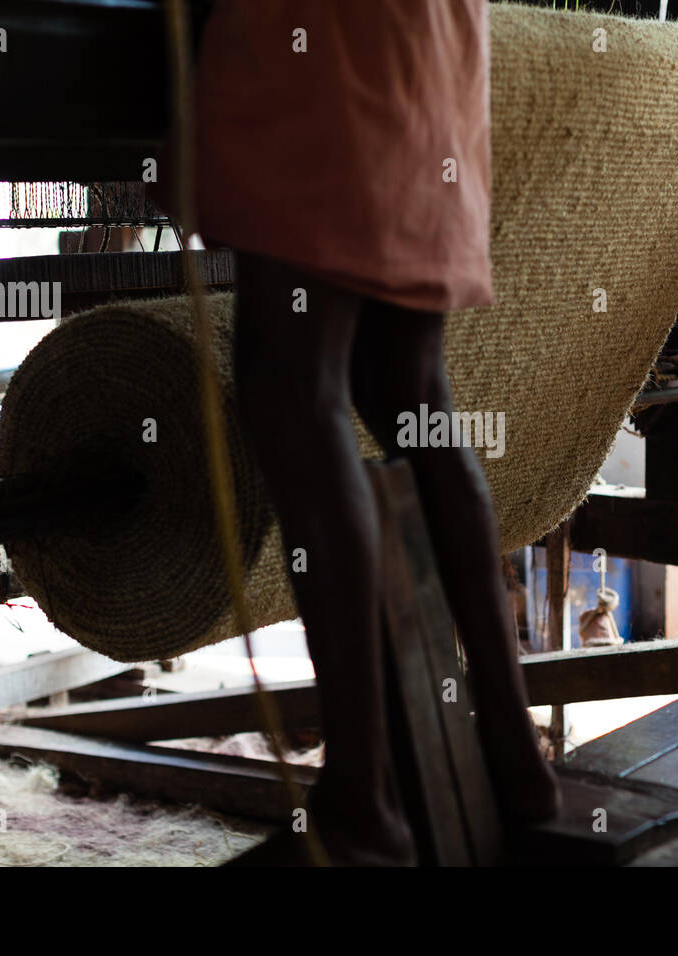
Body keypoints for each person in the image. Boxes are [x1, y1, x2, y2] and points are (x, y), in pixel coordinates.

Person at [178, 0, 559, 864]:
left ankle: (363, 790)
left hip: (329, 39)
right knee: (412, 392)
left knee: (295, 387)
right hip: (433, 43)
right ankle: (511, 749)